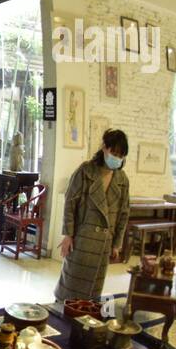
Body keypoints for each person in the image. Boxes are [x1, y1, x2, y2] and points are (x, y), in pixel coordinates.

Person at [55, 129, 130, 302]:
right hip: (82, 240)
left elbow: (124, 213)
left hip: (104, 243)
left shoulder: (122, 179)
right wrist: (68, 235)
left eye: (121, 155)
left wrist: (117, 244)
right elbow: (70, 204)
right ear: (104, 148)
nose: (117, 158)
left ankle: (85, 320)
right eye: (114, 153)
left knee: (92, 293)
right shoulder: (86, 171)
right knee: (70, 287)